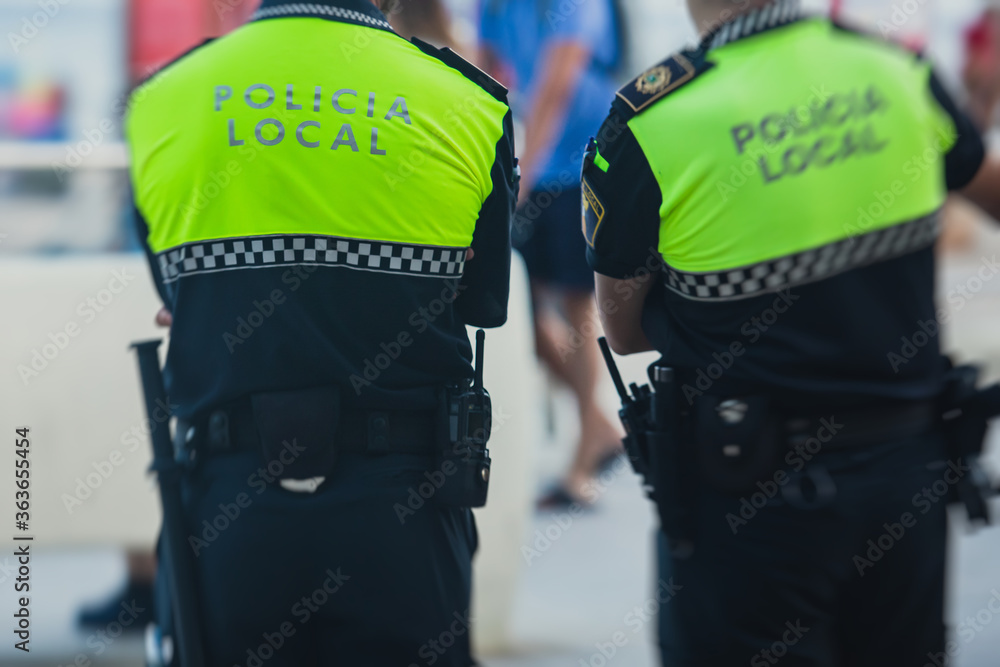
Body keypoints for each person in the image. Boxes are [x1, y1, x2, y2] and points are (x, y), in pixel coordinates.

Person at [585, 0, 1000, 663]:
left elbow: (624, 331)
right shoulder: (895, 70)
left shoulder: (651, 120)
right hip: (906, 470)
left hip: (747, 496)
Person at [125, 0, 517, 663]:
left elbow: (181, 296)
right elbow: (481, 304)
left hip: (231, 509)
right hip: (405, 510)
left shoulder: (164, 97)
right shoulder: (469, 101)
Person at [478, 0, 624, 508]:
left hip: (581, 165)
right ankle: (601, 426)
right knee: (526, 313)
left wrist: (519, 175)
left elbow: (558, 85)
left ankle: (584, 460)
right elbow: (481, 69)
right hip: (534, 171)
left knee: (577, 307)